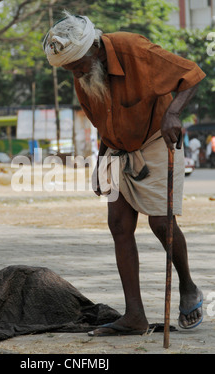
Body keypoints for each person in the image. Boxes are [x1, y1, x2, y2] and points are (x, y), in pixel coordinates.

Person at [43, 11, 206, 336]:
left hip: (157, 136)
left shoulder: (134, 49)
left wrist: (173, 112)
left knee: (161, 222)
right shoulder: (83, 77)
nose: (75, 74)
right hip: (116, 147)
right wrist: (101, 162)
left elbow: (192, 74)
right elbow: (104, 122)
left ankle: (188, 287)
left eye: (77, 65)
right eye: (68, 70)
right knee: (118, 224)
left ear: (94, 48)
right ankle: (135, 317)